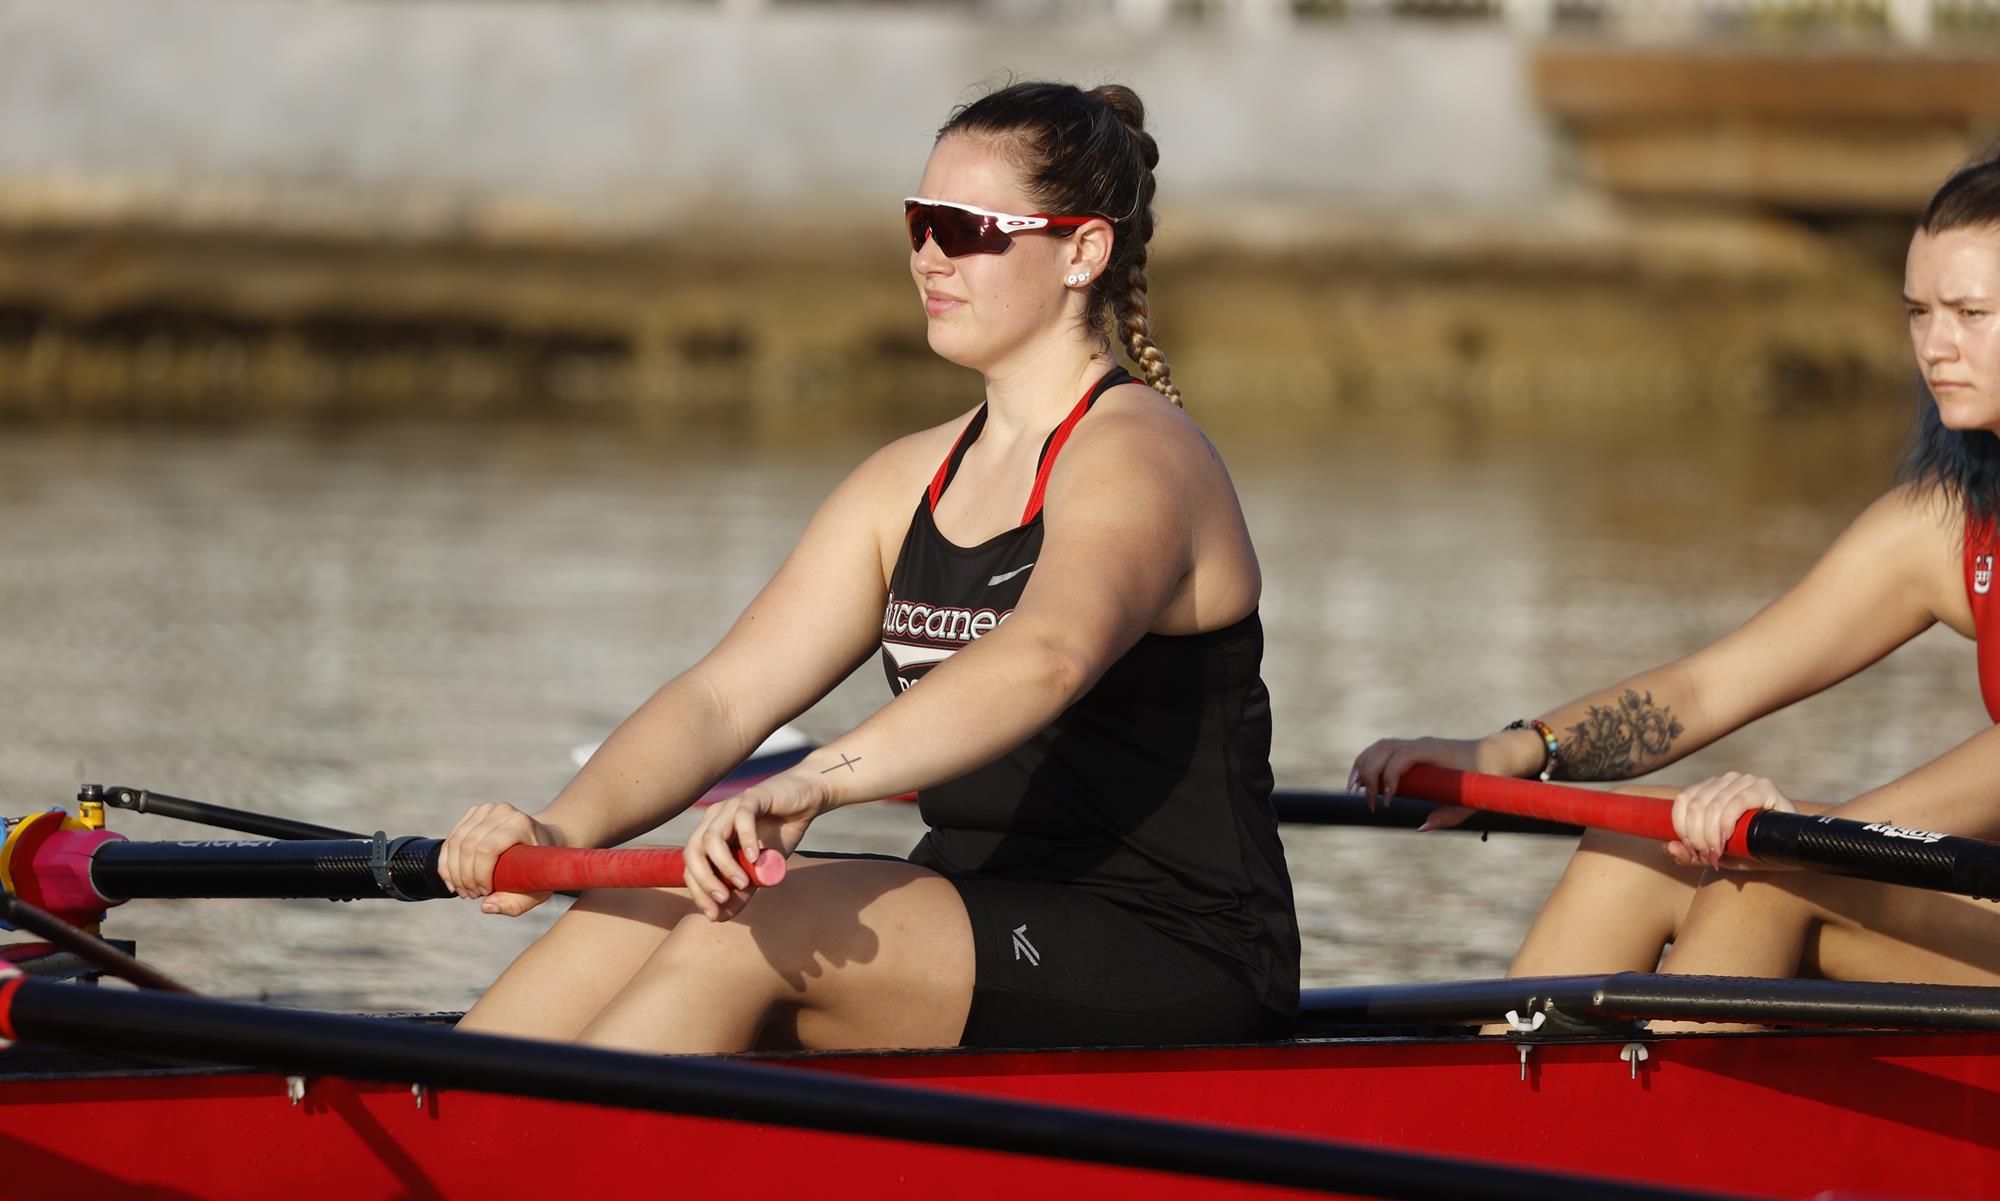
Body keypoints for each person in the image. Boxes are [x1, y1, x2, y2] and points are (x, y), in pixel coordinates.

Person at [438, 81, 1299, 1054]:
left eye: (967, 226)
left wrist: (811, 782)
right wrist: (557, 835)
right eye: (919, 221)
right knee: (636, 904)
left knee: (746, 928)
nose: (928, 252)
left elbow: (1046, 655)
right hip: (974, 912)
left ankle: (521, 1182)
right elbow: (724, 698)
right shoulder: (905, 481)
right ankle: (424, 1165)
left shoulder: (1141, 455)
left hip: (1174, 946)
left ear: (1082, 251)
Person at [1351, 155, 2000, 1002]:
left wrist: (1805, 837)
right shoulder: (1946, 523)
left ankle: (1646, 1126)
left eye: (1969, 312)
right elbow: (1706, 686)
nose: (1933, 345)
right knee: (1638, 845)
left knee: (1768, 872)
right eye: (1918, 311)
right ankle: (1505, 1108)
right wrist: (1510, 753)